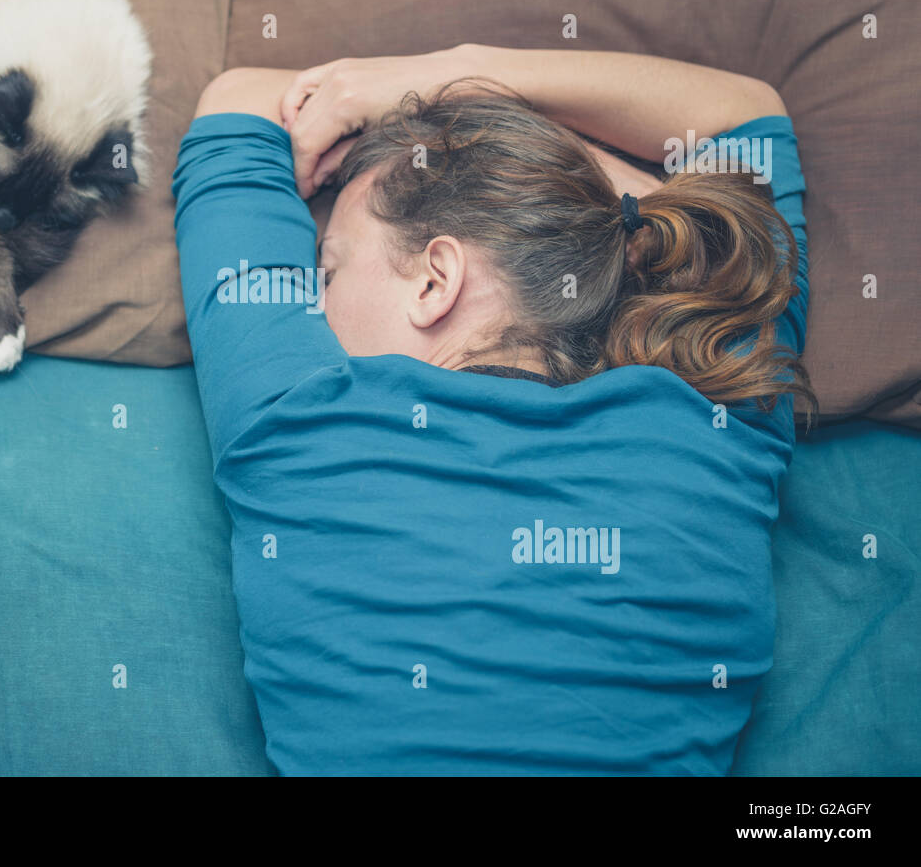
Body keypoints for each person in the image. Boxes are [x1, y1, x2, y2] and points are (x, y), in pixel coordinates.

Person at [171, 44, 814, 776]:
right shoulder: (728, 406)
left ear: (435, 280)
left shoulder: (295, 418)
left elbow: (244, 101)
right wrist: (447, 76)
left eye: (328, 269)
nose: (311, 306)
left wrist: (422, 91)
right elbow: (748, 123)